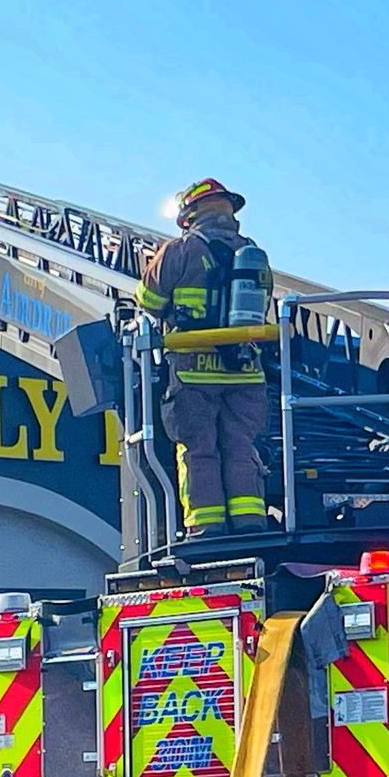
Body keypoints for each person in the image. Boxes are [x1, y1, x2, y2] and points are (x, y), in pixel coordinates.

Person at [137, 178, 274, 537]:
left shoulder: (180, 251)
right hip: (245, 370)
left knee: (199, 449)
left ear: (188, 214)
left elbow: (148, 301)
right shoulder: (254, 254)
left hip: (193, 370)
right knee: (241, 446)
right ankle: (249, 521)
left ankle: (206, 525)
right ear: (229, 209)